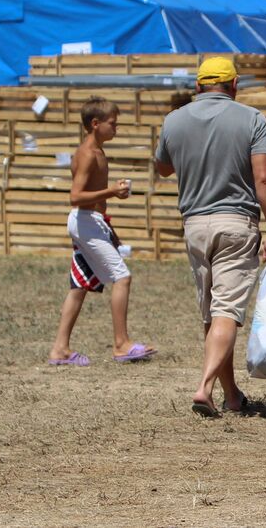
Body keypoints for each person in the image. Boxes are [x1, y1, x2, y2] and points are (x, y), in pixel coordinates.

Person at [154, 57, 266, 417]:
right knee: (227, 310)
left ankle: (231, 395)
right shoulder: (251, 119)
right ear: (234, 85)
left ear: (198, 86)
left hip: (194, 225)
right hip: (236, 223)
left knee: (212, 315)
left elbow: (163, 168)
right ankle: (205, 388)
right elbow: (264, 179)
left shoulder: (173, 120)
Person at [48, 97, 156, 366]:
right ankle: (121, 344)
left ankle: (60, 349)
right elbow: (75, 196)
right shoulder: (87, 154)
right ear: (95, 124)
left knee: (80, 286)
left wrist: (107, 225)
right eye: (112, 124)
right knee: (122, 277)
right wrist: (111, 191)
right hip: (84, 220)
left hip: (91, 220)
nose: (116, 128)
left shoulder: (96, 151)